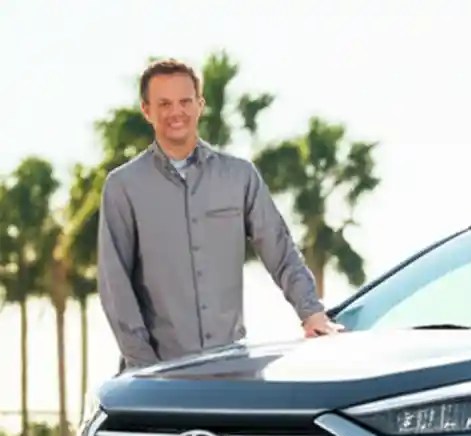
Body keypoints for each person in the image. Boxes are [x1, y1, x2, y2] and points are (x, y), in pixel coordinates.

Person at [98, 58, 342, 373]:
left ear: (200, 105)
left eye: (185, 101)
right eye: (164, 104)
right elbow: (114, 283)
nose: (176, 112)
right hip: (158, 372)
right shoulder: (123, 186)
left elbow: (279, 249)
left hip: (231, 369)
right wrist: (145, 367)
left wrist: (312, 313)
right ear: (146, 110)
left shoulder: (239, 176)